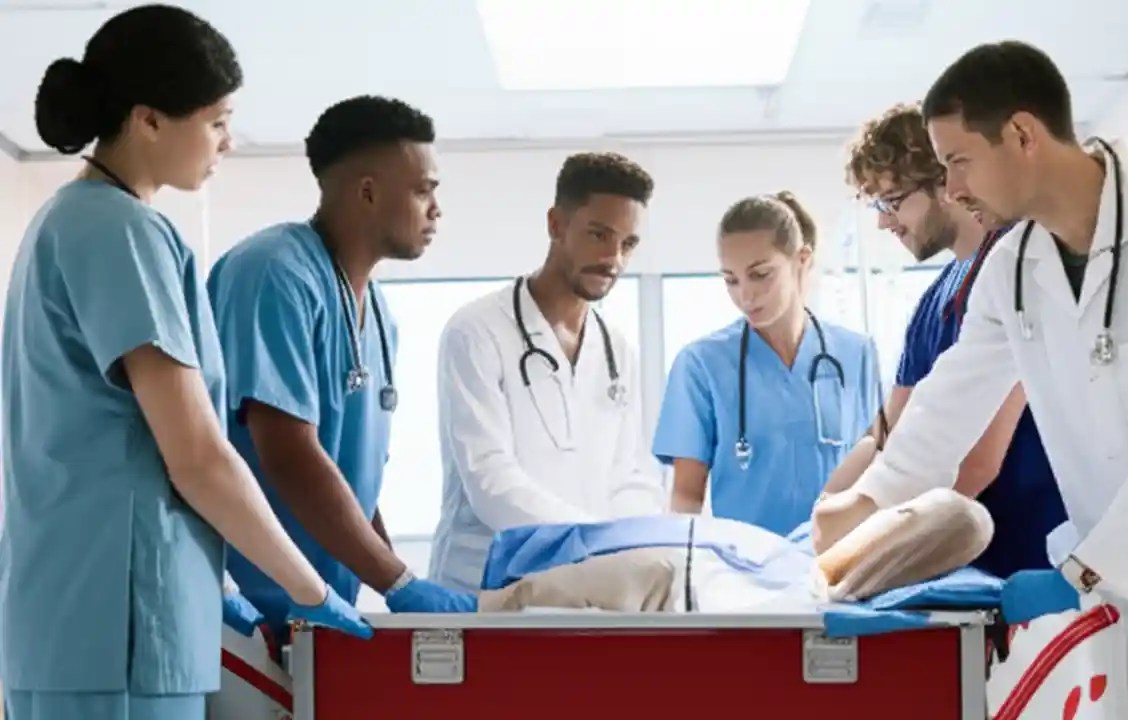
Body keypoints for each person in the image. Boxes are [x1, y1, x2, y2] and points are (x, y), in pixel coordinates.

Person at [841, 40, 1128, 719]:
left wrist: (1083, 573)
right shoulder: (1012, 268)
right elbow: (945, 409)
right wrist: (864, 513)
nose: (953, 189)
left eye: (958, 161)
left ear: (1022, 134)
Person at [0, 6, 369, 719]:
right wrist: (310, 590)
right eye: (217, 120)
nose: (228, 141)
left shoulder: (69, 220)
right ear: (148, 120)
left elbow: (108, 439)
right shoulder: (119, 230)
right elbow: (196, 456)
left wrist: (215, 581)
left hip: (79, 616)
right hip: (117, 626)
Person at [207, 95, 471, 636]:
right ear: (368, 192)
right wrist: (396, 580)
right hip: (242, 616)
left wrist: (394, 584)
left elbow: (350, 482)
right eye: (423, 190)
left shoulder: (380, 316)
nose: (437, 210)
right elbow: (288, 453)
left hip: (317, 615)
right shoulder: (273, 272)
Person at [810, 103, 1068, 579]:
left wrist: (865, 544)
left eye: (892, 201)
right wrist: (827, 508)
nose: (884, 222)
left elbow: (976, 463)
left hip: (1028, 557)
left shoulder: (1022, 270)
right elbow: (888, 431)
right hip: (961, 560)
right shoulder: (934, 301)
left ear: (946, 181)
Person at [428, 151, 667, 593]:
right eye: (599, 235)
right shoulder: (477, 331)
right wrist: (594, 542)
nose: (613, 259)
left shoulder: (616, 350)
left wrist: (635, 542)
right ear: (556, 224)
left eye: (628, 244)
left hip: (582, 588)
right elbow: (491, 481)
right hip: (483, 590)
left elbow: (631, 475)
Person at [652, 192, 881, 537]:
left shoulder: (857, 354)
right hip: (746, 561)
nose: (745, 295)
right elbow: (686, 497)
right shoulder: (701, 365)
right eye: (731, 280)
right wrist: (682, 562)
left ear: (801, 260)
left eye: (760, 275)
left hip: (842, 554)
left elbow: (877, 467)